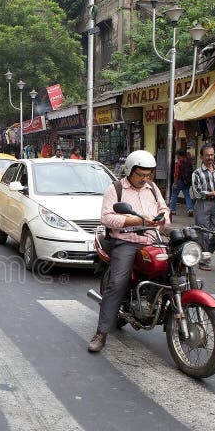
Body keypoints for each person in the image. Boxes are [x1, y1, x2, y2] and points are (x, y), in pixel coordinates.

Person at [89, 150, 169, 353]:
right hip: (125, 242)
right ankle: (101, 333)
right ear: (129, 171)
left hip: (152, 240)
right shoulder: (115, 189)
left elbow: (164, 209)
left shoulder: (152, 188)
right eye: (141, 174)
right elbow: (106, 218)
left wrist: (162, 217)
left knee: (173, 269)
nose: (145, 178)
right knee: (117, 283)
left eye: (147, 174)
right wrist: (135, 220)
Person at [191, 144, 215, 271]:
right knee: (203, 234)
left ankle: (205, 253)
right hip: (202, 204)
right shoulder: (197, 173)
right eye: (207, 155)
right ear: (201, 157)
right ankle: (205, 261)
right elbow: (198, 192)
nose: (210, 157)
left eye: (212, 155)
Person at [168, 149, 194, 216]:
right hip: (186, 182)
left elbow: (176, 174)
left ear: (180, 155)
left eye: (177, 155)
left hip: (179, 181)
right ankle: (190, 209)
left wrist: (175, 183)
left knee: (174, 195)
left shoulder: (178, 163)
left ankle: (172, 210)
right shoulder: (189, 161)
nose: (177, 157)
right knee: (187, 195)